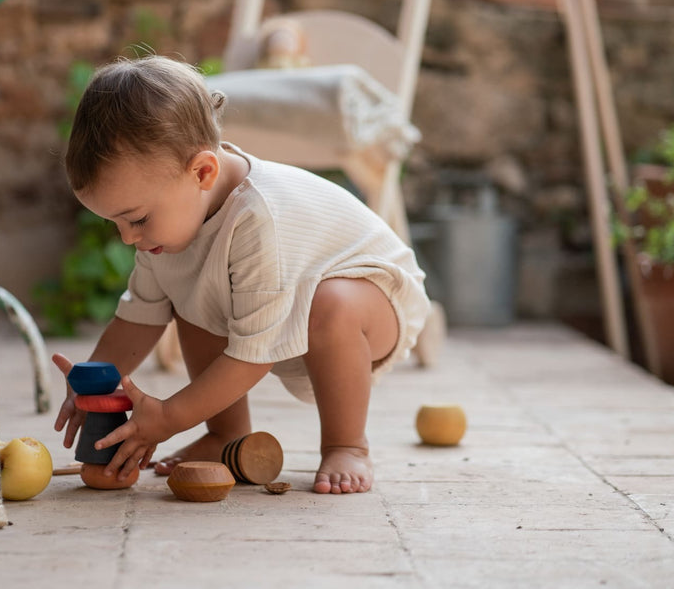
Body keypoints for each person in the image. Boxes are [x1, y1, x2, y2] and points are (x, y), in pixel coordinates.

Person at [52, 55, 430, 494]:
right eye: (113, 223)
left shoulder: (256, 219)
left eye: (135, 219)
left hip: (375, 302)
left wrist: (169, 417)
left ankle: (348, 443)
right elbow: (138, 318)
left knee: (330, 304)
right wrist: (95, 381)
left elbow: (255, 356)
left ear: (203, 172)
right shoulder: (168, 222)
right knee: (190, 294)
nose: (127, 238)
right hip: (284, 307)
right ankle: (227, 433)